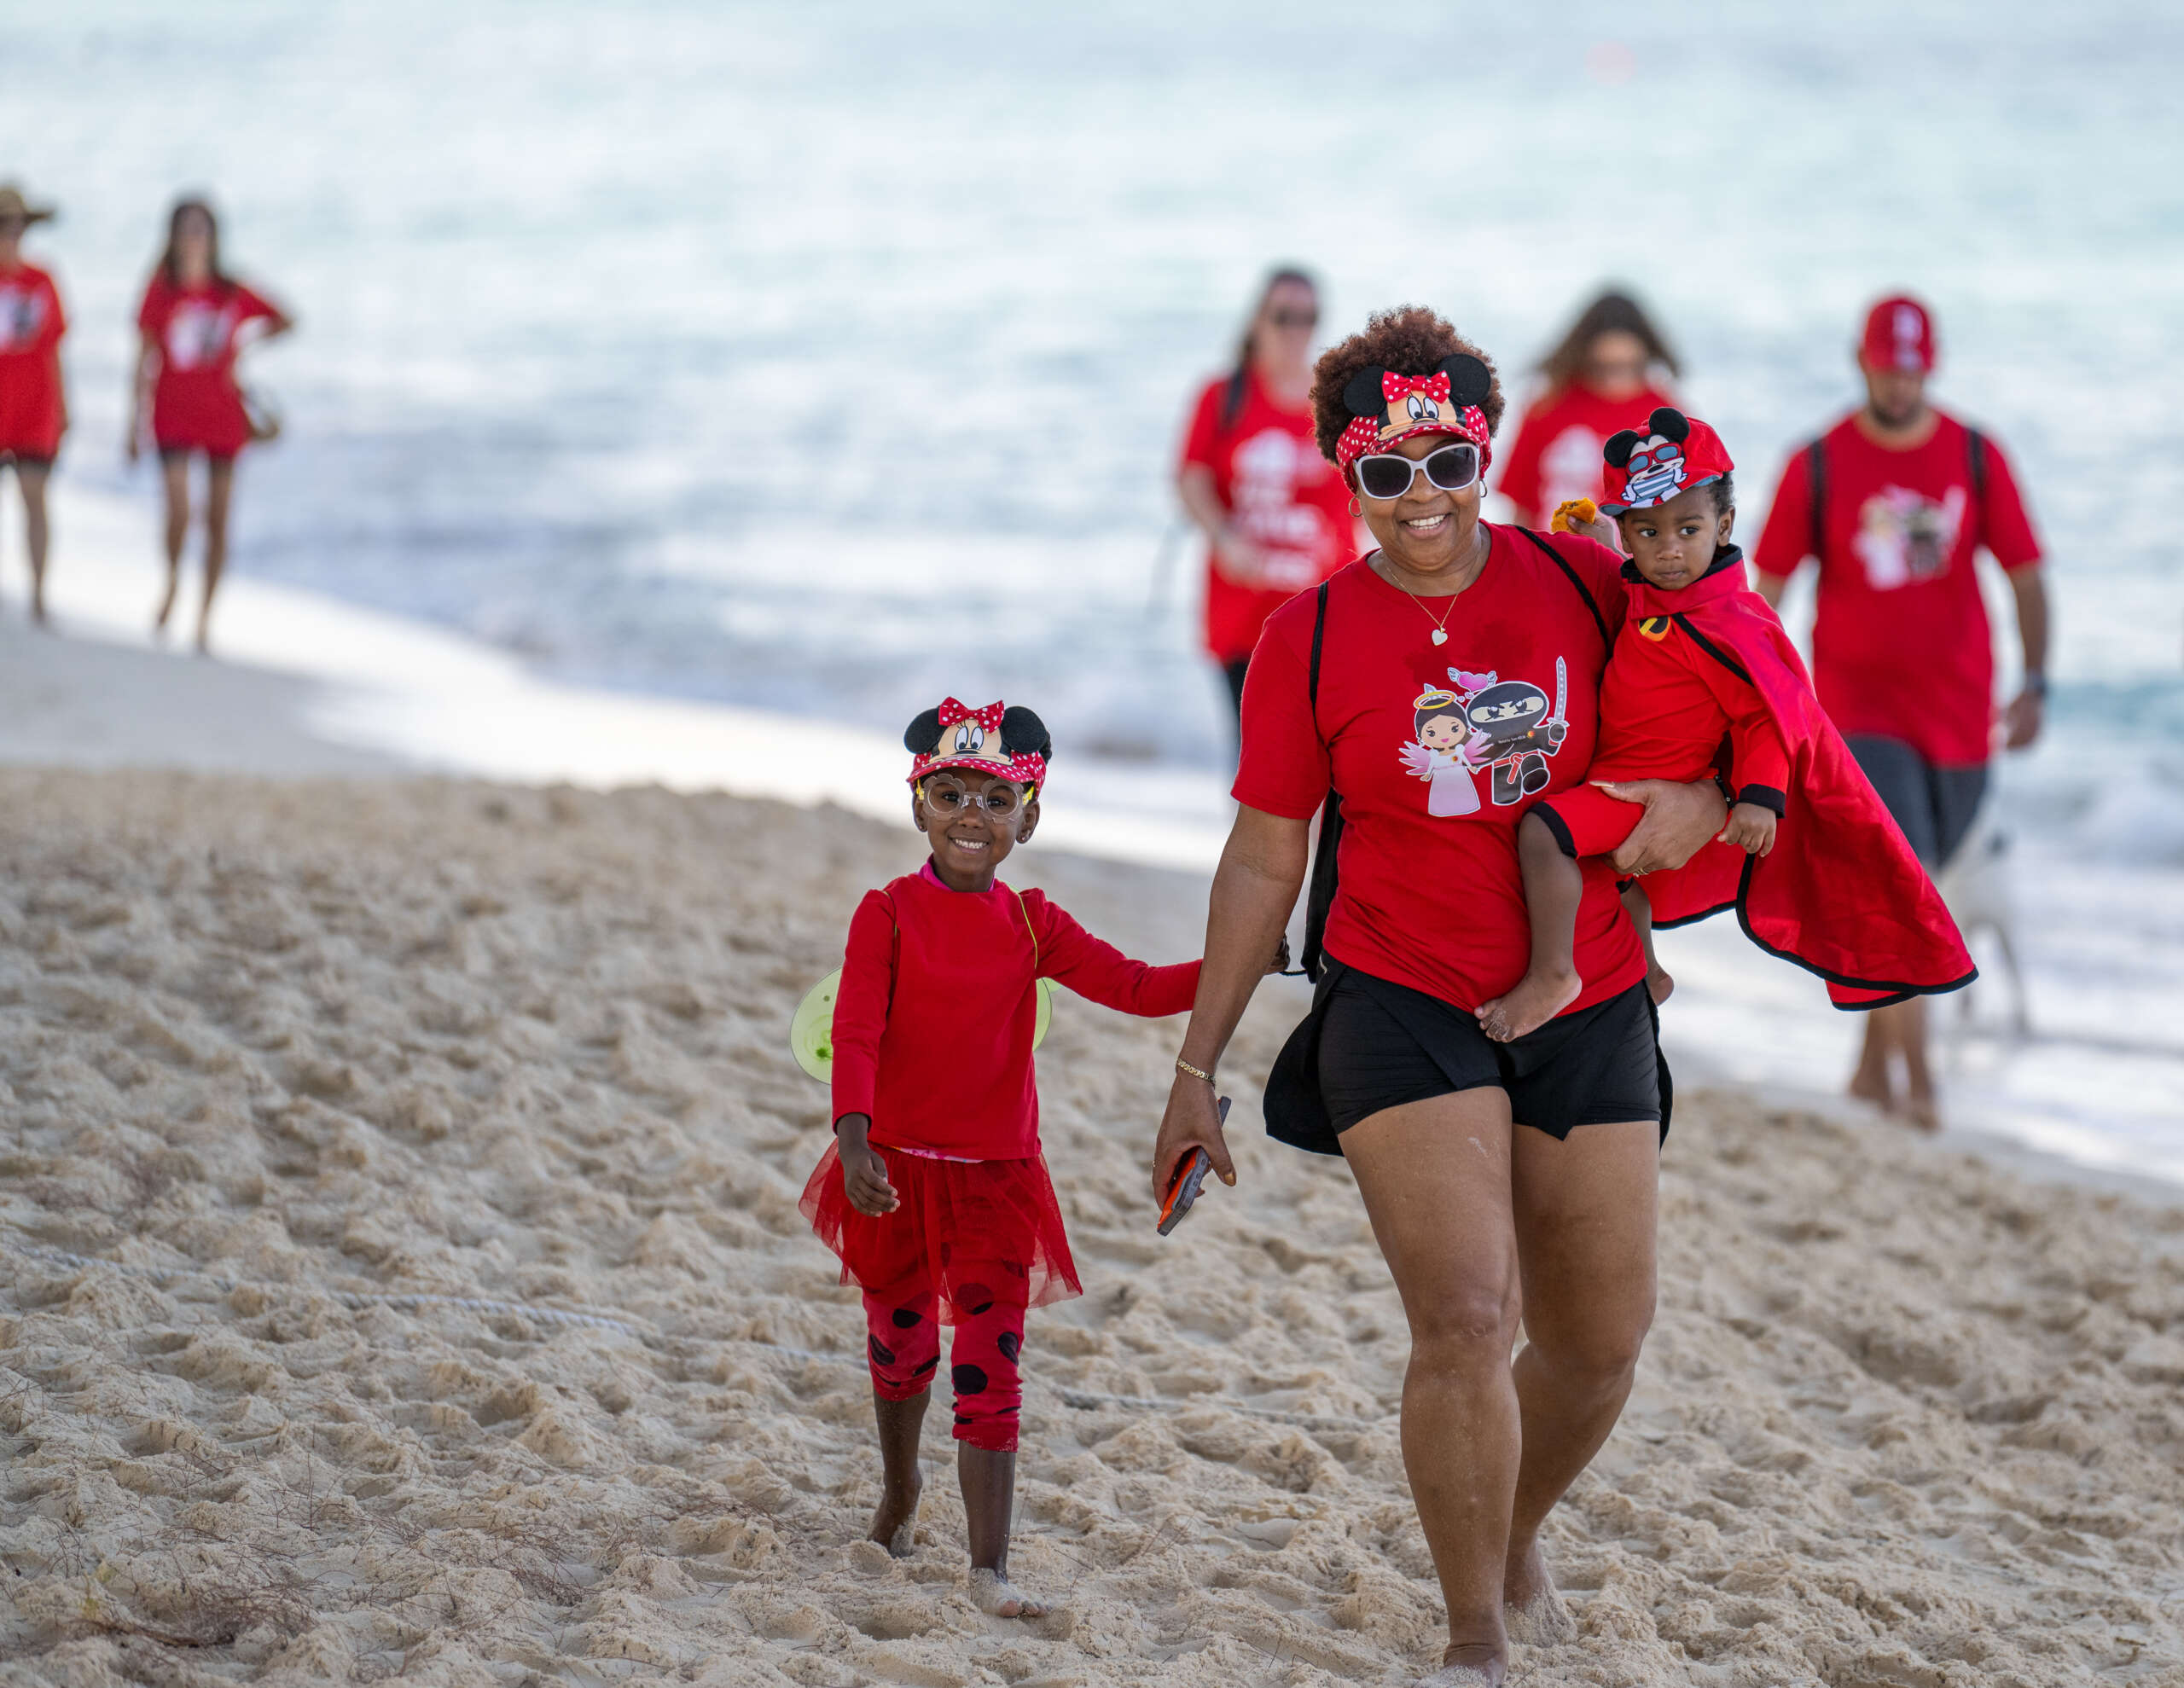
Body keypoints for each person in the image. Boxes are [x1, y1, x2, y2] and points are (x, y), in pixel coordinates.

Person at [1148, 306, 1730, 1686]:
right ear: (1347, 477)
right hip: (1398, 990)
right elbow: (1265, 853)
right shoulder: (1307, 634)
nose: (1424, 495)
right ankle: (1475, 1631)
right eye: (1386, 470)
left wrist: (1706, 799)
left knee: (1599, 1343)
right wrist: (1196, 1064)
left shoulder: (1586, 582)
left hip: (1583, 988)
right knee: (1468, 1316)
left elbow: (1711, 711)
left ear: (1491, 451)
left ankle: (1509, 1518)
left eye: (1450, 460)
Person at [799, 698, 1227, 1618]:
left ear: (1026, 820)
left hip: (997, 1180)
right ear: (917, 806)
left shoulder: (1033, 923)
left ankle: (988, 1567)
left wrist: (1233, 960)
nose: (970, 814)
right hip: (891, 1170)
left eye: (995, 800)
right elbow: (857, 1027)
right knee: (902, 1346)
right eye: (948, 792)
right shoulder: (886, 911)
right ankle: (900, 1488)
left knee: (991, 1367)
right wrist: (853, 1132)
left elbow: (1138, 986)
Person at [1480, 410, 1974, 1045]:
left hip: (1641, 792)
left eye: (1689, 529)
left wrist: (1760, 799)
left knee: (1543, 833)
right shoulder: (1648, 596)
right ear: (1628, 537)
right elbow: (1617, 595)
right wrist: (1591, 536)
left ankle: (1552, 975)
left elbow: (1765, 714)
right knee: (1609, 882)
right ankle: (1647, 971)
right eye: (1649, 533)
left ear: (1725, 526)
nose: (1671, 549)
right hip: (1612, 775)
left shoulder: (1725, 620)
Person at [1751, 295, 2047, 1128]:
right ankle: (1920, 1086)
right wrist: (1761, 693)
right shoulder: (1817, 462)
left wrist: (2038, 682)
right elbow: (1768, 589)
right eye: (1886, 366)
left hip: (1959, 720)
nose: (1898, 381)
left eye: (1912, 368)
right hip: (1854, 714)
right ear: (1861, 362)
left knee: (1911, 885)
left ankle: (1867, 1067)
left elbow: (2025, 574)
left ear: (1931, 365)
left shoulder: (1975, 456)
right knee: (1903, 886)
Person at [1176, 268, 1360, 724]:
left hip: (1325, 613)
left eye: (1308, 317)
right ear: (1257, 321)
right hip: (1243, 615)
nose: (1297, 330)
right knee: (1258, 753)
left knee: (1332, 754)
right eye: (1284, 316)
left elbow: (1368, 493)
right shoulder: (1224, 397)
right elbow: (1190, 478)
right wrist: (1224, 537)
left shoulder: (1335, 402)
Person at [127, 197, 293, 653]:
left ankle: (204, 619)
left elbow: (287, 318)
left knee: (219, 521)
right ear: (173, 236)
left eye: (202, 229)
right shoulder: (161, 290)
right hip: (171, 412)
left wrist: (245, 346)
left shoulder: (230, 291)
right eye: (186, 228)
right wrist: (132, 422)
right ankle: (173, 581)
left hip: (223, 415)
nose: (194, 237)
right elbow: (142, 358)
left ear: (214, 236)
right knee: (179, 513)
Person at [1496, 289, 1679, 531]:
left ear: (1646, 357)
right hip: (1555, 560)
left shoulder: (1667, 417)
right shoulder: (1548, 408)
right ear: (1583, 357)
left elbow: (1685, 512)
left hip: (1631, 566)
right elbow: (1522, 509)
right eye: (1603, 368)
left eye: (1625, 367)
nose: (1613, 381)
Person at [0, 183, 67, 625]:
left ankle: (40, 596)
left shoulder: (42, 280)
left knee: (35, 499)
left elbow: (54, 348)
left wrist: (64, 408)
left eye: (17, 224)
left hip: (34, 407)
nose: (11, 232)